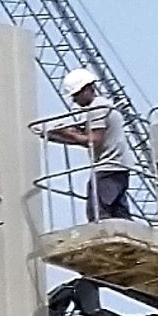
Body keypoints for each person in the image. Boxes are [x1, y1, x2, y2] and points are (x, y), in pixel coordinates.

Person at [40, 64, 133, 220]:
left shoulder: (97, 107)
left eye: (76, 95)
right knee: (118, 214)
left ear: (88, 89)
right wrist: (57, 135)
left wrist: (64, 133)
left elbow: (93, 140)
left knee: (98, 214)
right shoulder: (103, 108)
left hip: (108, 168)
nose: (74, 100)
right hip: (119, 168)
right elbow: (84, 136)